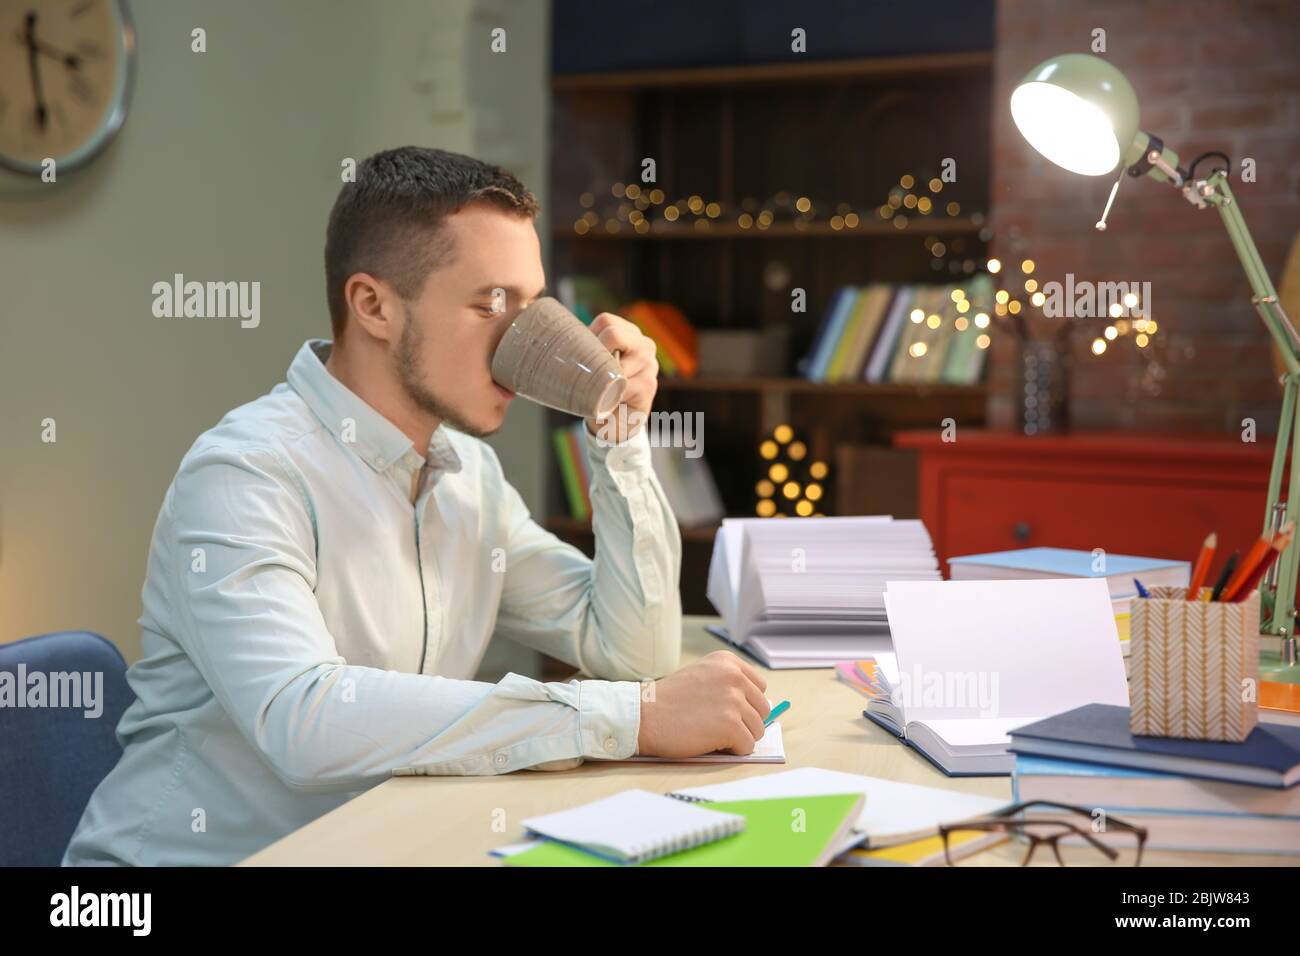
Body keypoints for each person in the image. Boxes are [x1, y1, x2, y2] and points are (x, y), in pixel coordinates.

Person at [63, 146, 769, 866]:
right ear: (373, 306)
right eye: (490, 305)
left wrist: (618, 435)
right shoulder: (246, 472)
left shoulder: (469, 480)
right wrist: (629, 718)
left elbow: (632, 651)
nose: (523, 341)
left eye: (534, 308)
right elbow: (304, 722)